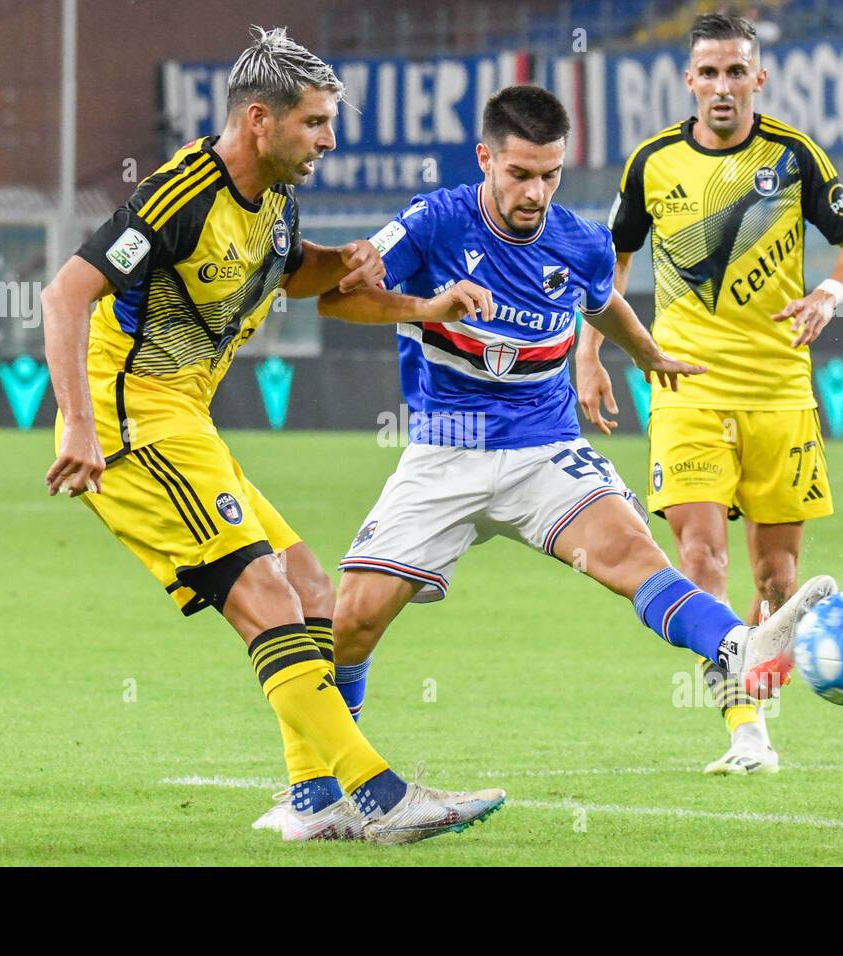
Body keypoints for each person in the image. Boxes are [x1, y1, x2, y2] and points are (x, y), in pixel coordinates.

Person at [252, 83, 839, 836]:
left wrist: (649, 352)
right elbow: (337, 296)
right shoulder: (436, 221)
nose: (535, 192)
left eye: (550, 175)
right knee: (353, 625)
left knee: (632, 552)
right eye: (521, 174)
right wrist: (429, 308)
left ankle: (739, 645)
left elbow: (603, 300)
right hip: (446, 450)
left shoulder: (581, 240)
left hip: (544, 447)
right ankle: (317, 792)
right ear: (485, 159)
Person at [40, 26, 506, 845]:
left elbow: (297, 277)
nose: (329, 139)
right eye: (316, 123)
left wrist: (386, 283)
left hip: (186, 424)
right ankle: (382, 795)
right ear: (260, 119)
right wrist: (79, 422)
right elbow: (65, 295)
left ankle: (310, 797)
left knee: (312, 596)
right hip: (133, 425)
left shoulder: (278, 201)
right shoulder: (177, 196)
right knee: (264, 602)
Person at [577, 13, 843, 775]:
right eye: (707, 72)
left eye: (735, 71)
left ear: (758, 78)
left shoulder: (793, 155)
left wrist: (831, 295)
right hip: (683, 386)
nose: (721, 86)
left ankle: (756, 694)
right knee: (701, 558)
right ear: (688, 81)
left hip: (782, 392)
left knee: (776, 581)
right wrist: (590, 351)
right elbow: (610, 262)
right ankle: (746, 732)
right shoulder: (651, 164)